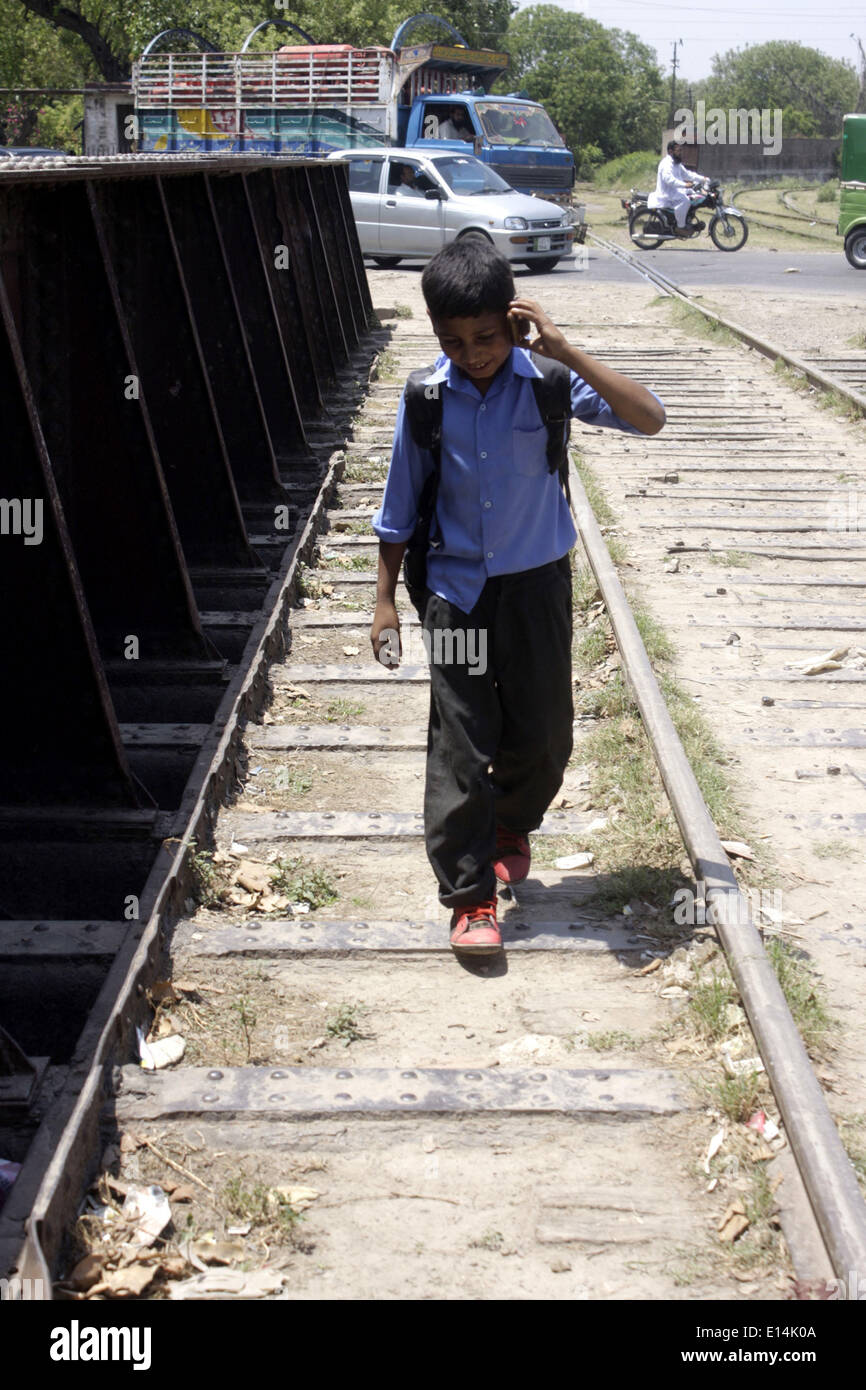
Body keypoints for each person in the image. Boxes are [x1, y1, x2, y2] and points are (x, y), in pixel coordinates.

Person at [369, 238, 666, 957]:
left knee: (544, 736)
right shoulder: (426, 398)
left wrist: (564, 348)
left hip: (536, 587)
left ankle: (511, 823)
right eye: (453, 340)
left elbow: (649, 417)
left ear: (515, 320)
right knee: (461, 745)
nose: (472, 354)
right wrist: (382, 602)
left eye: (486, 337)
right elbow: (398, 510)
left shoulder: (548, 383)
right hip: (456, 595)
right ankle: (469, 899)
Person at [648, 140, 703, 237]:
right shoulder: (666, 163)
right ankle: (680, 227)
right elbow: (669, 180)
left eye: (681, 150)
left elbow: (687, 174)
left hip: (675, 191)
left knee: (694, 195)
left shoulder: (676, 163)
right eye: (678, 150)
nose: (680, 153)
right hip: (666, 194)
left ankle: (687, 220)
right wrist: (684, 185)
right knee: (685, 200)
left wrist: (703, 179)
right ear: (670, 151)